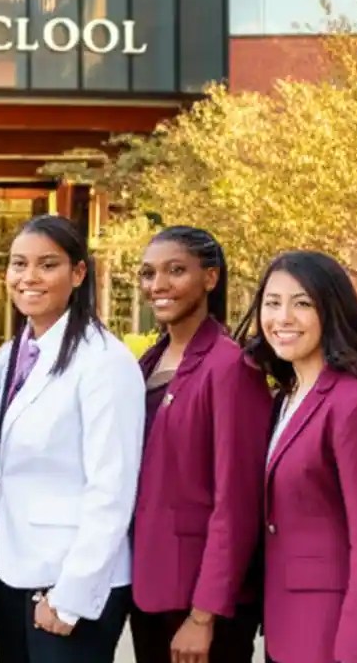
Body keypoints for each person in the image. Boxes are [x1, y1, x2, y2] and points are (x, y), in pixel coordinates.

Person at [237, 251, 357, 663]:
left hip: (343, 640)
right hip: (291, 631)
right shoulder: (285, 400)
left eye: (302, 303)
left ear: (331, 310)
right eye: (272, 302)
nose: (282, 317)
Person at [0, 214, 144, 663]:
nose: (28, 277)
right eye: (19, 264)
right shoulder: (9, 357)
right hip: (13, 572)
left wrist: (71, 595)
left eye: (47, 264)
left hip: (70, 581)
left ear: (78, 273)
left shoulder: (104, 362)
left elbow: (111, 489)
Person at [128, 227, 270, 663]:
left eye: (175, 271)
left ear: (210, 278)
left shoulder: (230, 367)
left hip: (199, 598)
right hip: (150, 586)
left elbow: (238, 502)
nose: (158, 285)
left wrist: (204, 615)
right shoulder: (147, 362)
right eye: (149, 274)